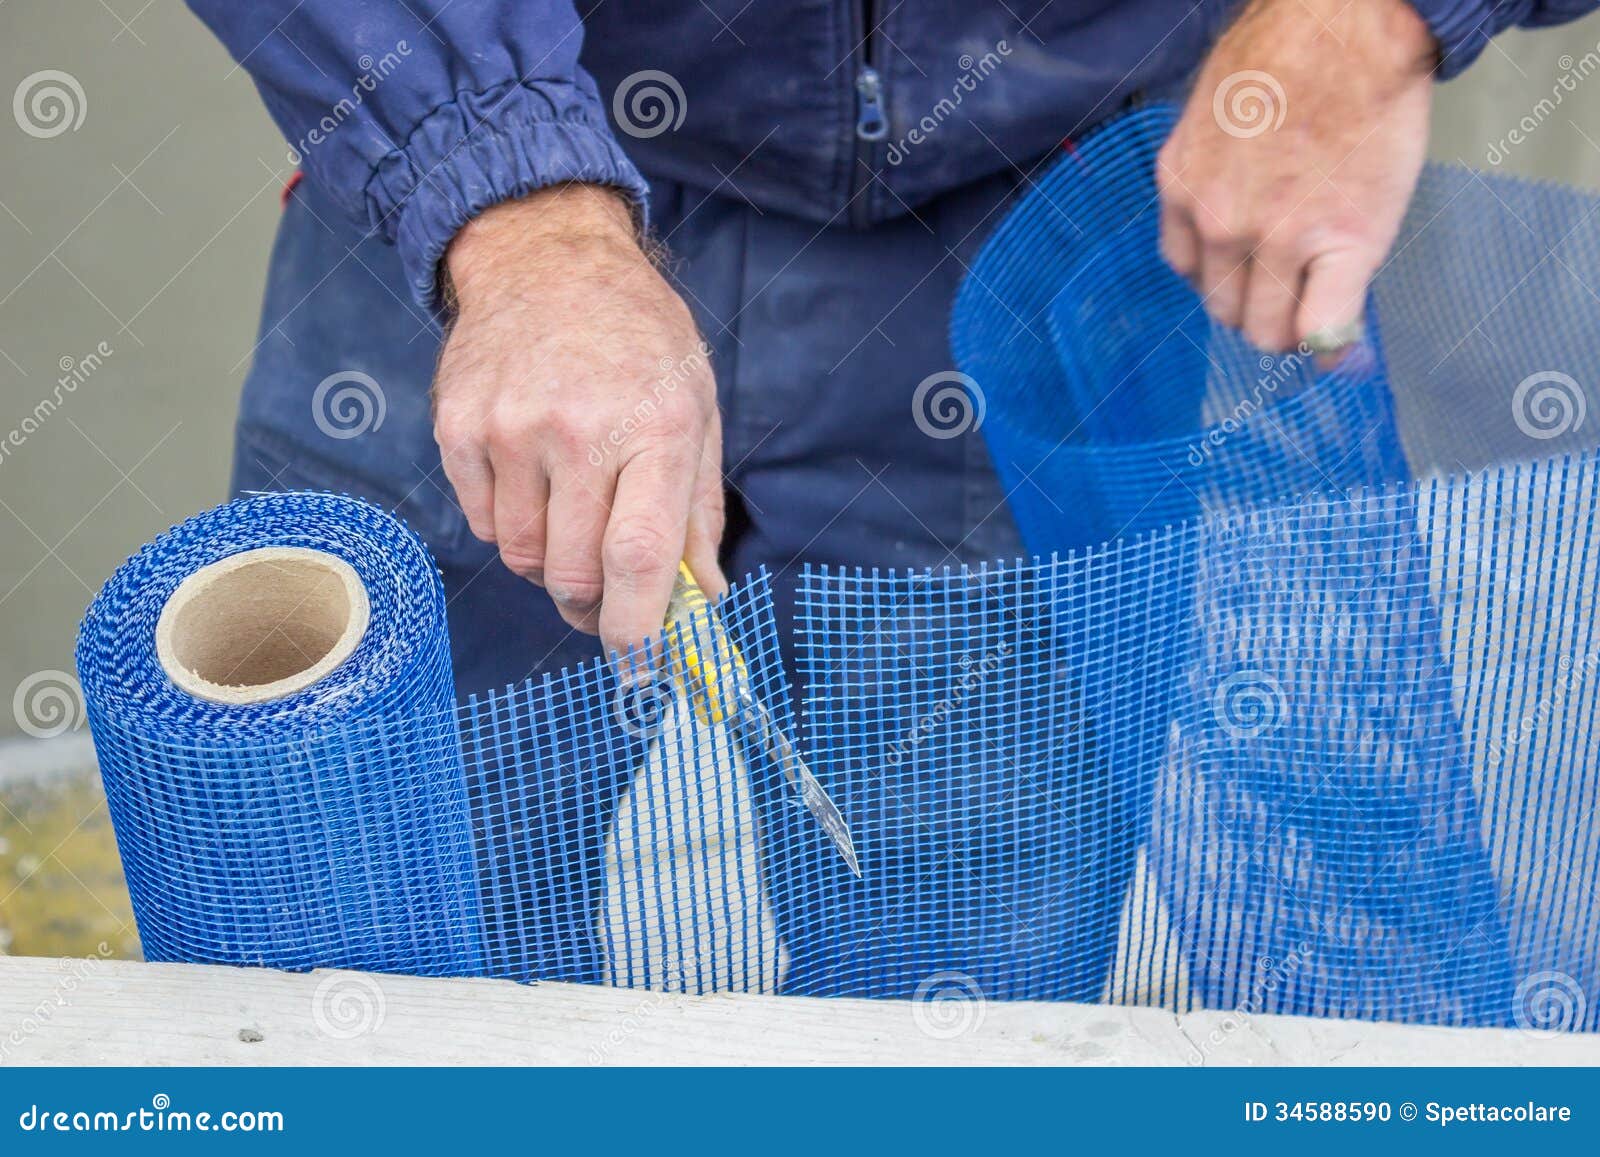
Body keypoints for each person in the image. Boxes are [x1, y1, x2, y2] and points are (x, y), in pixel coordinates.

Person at [192, 0, 1593, 694]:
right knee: (363, 930)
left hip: (1052, 197)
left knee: (962, 961)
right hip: (465, 177)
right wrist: (501, 196)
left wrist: (1370, 14)